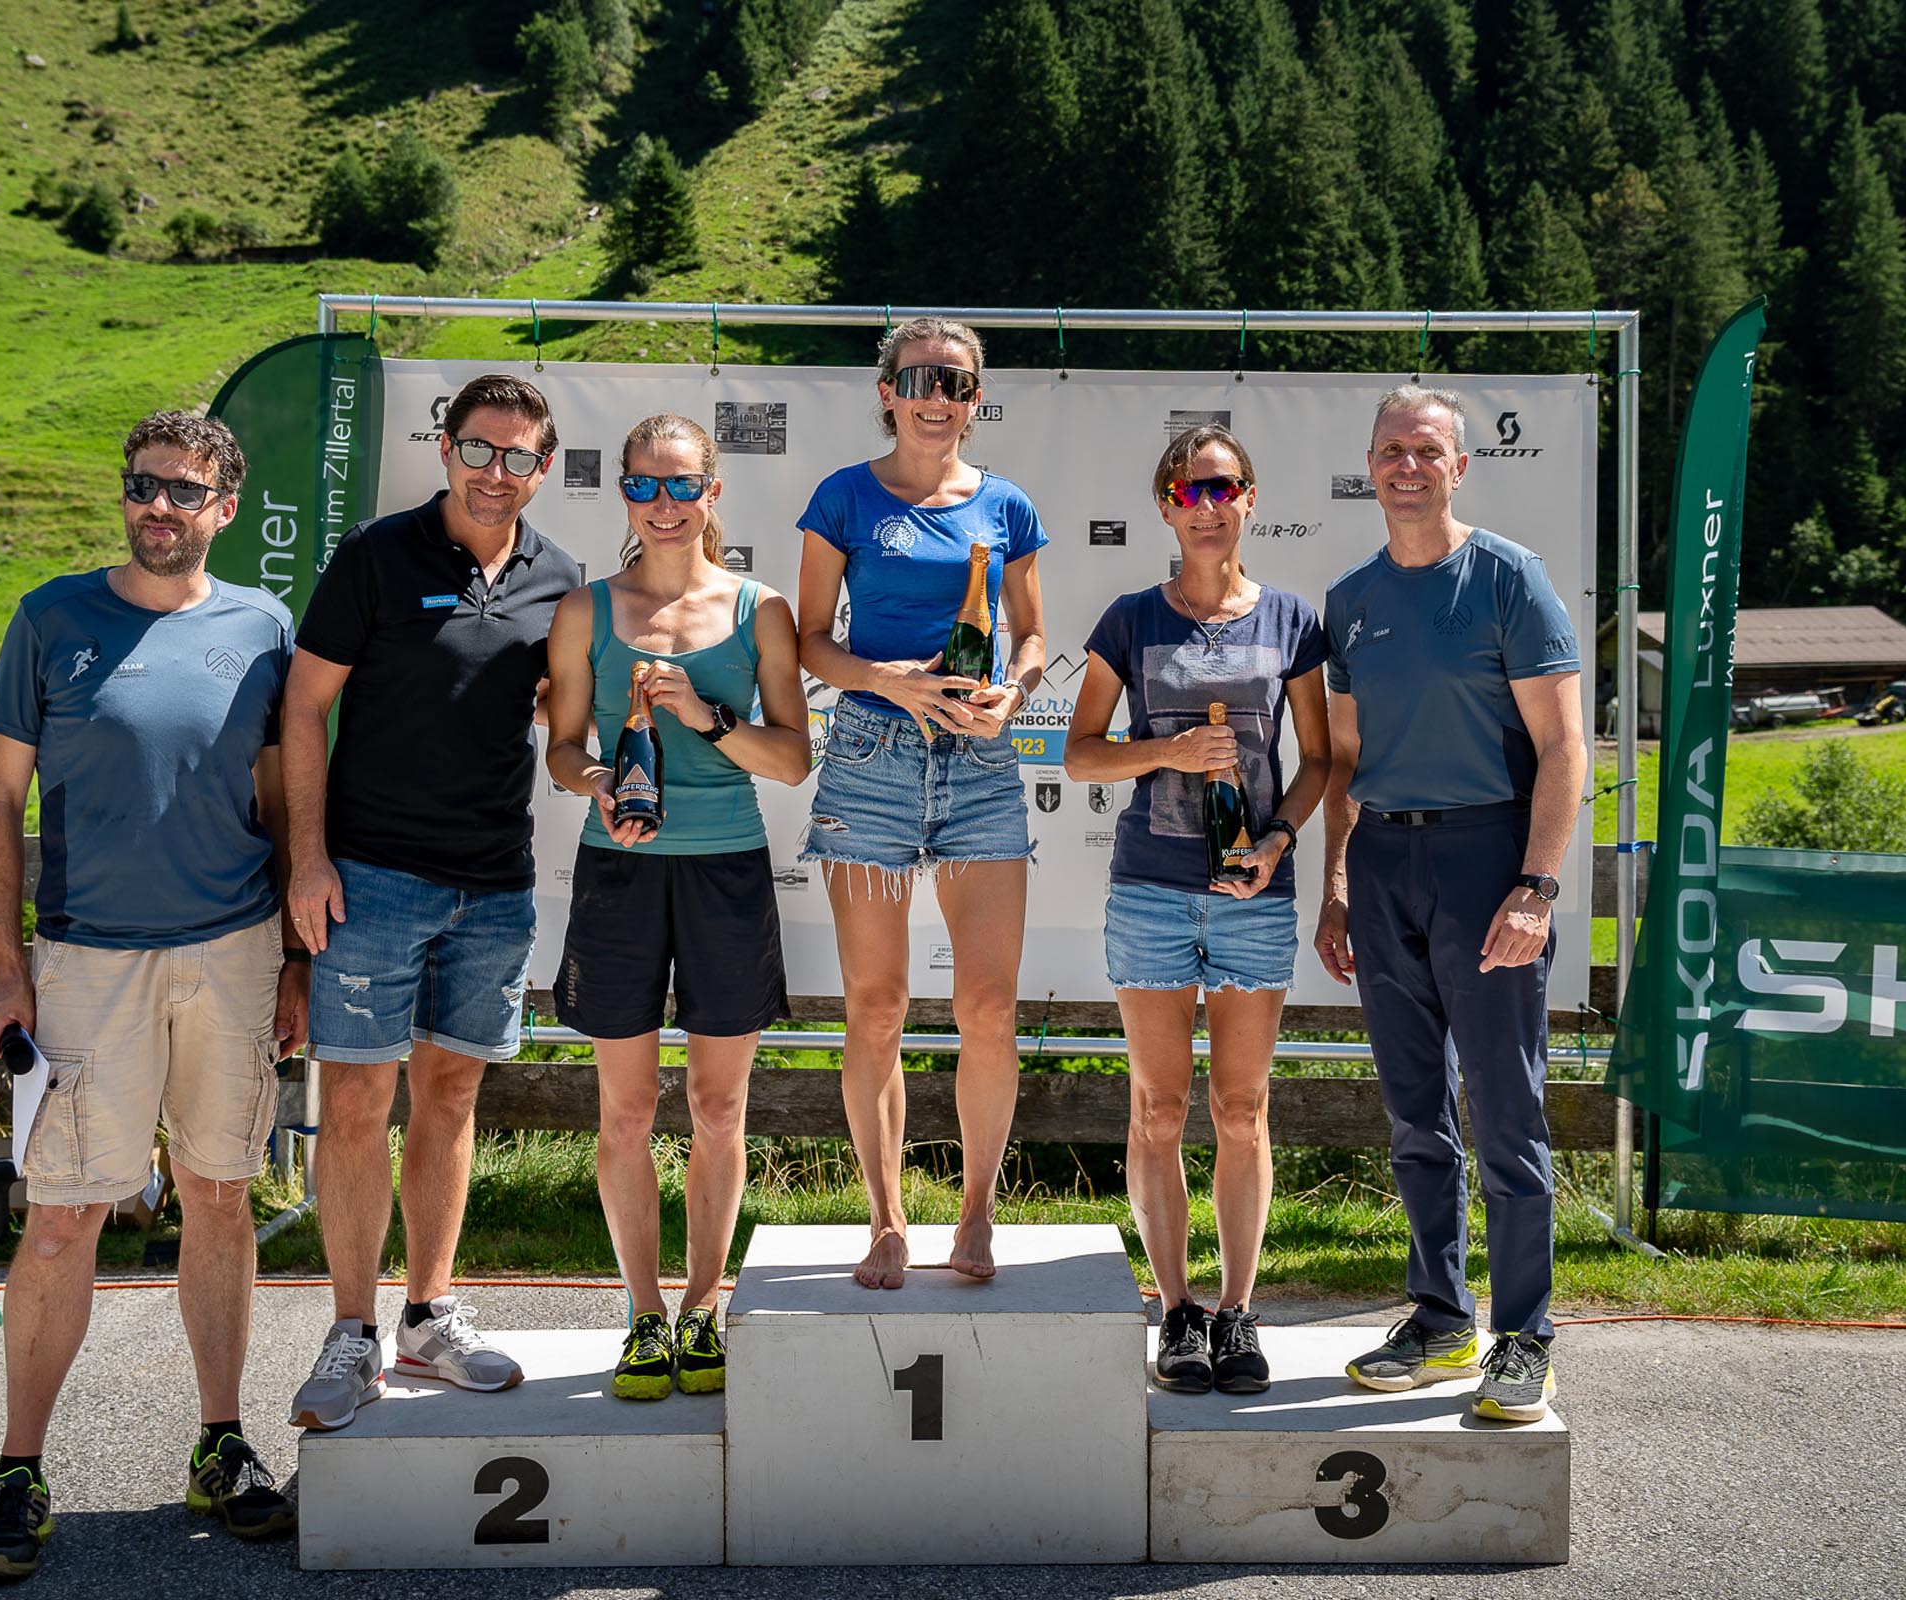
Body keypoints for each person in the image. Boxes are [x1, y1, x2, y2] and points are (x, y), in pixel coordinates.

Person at [0, 411, 304, 1580]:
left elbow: (280, 793)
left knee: (218, 1195)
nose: (159, 506)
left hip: (235, 952)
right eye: (143, 486)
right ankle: (18, 1467)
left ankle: (219, 1439)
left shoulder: (263, 627)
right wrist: (4, 967)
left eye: (183, 491)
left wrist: (298, 963)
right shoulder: (52, 620)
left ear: (224, 507)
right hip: (84, 962)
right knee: (62, 1217)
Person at [282, 373, 582, 1430]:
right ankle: (350, 1331)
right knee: (358, 1105)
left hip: (496, 883)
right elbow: (303, 709)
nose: (496, 473)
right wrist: (309, 860)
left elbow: (564, 743)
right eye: (479, 450)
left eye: (519, 457)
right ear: (445, 448)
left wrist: (607, 753)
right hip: (371, 877)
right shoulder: (373, 554)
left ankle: (428, 1314)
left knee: (450, 1101)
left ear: (543, 469)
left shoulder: (563, 579)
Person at [1314, 384, 1586, 1423]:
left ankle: (1525, 1335)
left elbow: (1564, 749)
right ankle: (1440, 1316)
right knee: (1413, 1112)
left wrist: (1537, 885)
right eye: (1391, 450)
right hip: (1385, 861)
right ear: (1371, 464)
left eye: (1426, 450)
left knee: (1507, 1113)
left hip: (1489, 861)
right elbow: (1342, 759)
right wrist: (1338, 881)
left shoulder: (1509, 578)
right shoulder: (1351, 600)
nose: (1407, 466)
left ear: (1458, 466)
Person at [544, 415, 810, 1398]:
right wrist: (596, 781)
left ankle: (703, 1306)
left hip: (725, 867)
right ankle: (642, 1314)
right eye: (643, 488)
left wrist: (708, 718)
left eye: (680, 486)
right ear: (622, 496)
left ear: (713, 493)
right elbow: (561, 750)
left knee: (715, 1104)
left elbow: (791, 759)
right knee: (623, 1109)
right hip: (619, 870)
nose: (663, 506)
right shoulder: (584, 610)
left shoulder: (759, 609)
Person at [1064, 425, 1330, 1396]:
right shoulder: (1131, 618)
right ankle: (1173, 1310)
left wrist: (1276, 841)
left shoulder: (1294, 620)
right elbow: (1081, 752)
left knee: (1242, 1106)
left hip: (1254, 894)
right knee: (1157, 1107)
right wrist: (1164, 756)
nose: (1204, 504)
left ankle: (1237, 1310)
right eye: (1186, 489)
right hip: (1149, 890)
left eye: (1221, 487)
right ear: (1165, 505)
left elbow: (1323, 761)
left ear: (1249, 498)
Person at [795, 316, 1048, 1288]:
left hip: (980, 762)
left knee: (986, 1007)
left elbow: (1031, 636)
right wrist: (886, 680)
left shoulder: (1007, 506)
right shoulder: (844, 497)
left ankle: (976, 1215)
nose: (938, 396)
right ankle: (888, 1219)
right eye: (920, 378)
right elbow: (809, 640)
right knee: (877, 1005)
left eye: (957, 381)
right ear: (889, 391)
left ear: (974, 399)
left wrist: (1013, 697)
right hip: (870, 754)